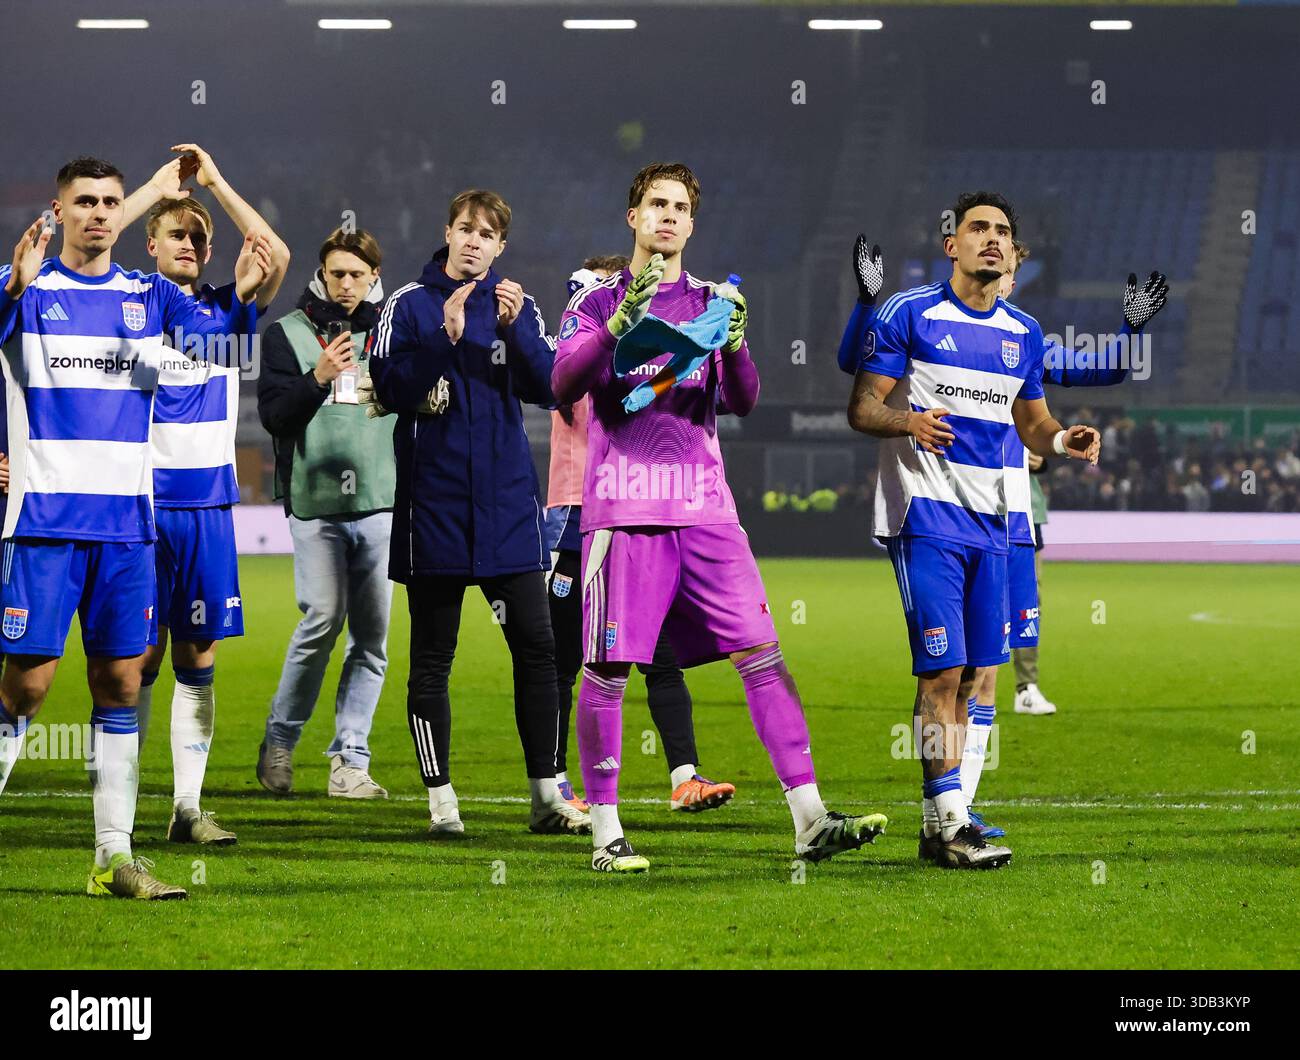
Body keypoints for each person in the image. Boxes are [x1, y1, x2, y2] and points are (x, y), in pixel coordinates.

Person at [554, 161, 887, 873]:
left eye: (679, 207)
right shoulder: (594, 301)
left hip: (707, 510)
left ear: (692, 224)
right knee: (608, 670)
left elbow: (742, 400)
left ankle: (809, 817)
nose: (667, 216)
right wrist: (616, 326)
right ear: (632, 217)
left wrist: (733, 343)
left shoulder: (713, 301)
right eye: (655, 205)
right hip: (627, 510)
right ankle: (606, 834)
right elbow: (563, 384)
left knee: (763, 655)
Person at [0, 156, 270, 898]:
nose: (98, 213)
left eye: (111, 202)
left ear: (125, 213)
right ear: (59, 211)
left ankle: (113, 860)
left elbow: (223, 345)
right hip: (49, 526)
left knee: (120, 683)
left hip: (129, 529)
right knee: (28, 690)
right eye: (84, 201)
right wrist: (14, 284)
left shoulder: (148, 296)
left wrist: (246, 294)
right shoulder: (27, 288)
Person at [846, 191, 1101, 869]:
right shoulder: (911, 313)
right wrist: (909, 422)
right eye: (979, 228)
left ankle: (940, 826)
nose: (993, 239)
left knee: (974, 679)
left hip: (995, 525)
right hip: (925, 518)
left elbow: (1033, 424)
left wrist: (1064, 435)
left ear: (1016, 252)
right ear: (950, 244)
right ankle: (953, 824)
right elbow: (863, 406)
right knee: (942, 673)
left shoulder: (1023, 331)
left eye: (1004, 232)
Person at [368, 189, 588, 836]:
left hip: (507, 510)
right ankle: (442, 805)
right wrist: (445, 340)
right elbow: (389, 387)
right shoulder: (406, 306)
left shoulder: (516, 307)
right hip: (433, 508)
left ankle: (546, 797)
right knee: (434, 656)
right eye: (466, 228)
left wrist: (518, 331)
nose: (474, 240)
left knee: (539, 647)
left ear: (500, 248)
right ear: (448, 232)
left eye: (487, 234)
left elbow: (553, 389)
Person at [118, 146, 290, 844]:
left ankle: (186, 810)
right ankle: (120, 813)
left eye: (198, 237)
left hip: (207, 510)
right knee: (134, 660)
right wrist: (155, 190)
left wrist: (213, 180)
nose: (187, 244)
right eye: (175, 234)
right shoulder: (124, 304)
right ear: (151, 242)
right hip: (136, 508)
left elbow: (273, 251)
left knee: (197, 656)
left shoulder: (227, 311)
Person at [547, 255, 735, 815]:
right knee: (565, 658)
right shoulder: (578, 346)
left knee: (662, 655)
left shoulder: (652, 359)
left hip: (638, 511)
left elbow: (702, 393)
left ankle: (685, 776)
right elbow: (561, 386)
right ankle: (556, 785)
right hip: (575, 516)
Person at [256, 227, 393, 799]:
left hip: (381, 503)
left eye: (357, 275)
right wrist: (318, 377)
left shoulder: (392, 333)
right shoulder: (287, 334)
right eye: (336, 273)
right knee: (321, 620)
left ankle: (350, 762)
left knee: (372, 640)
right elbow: (274, 417)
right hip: (314, 506)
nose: (345, 284)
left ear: (373, 279)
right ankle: (281, 740)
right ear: (322, 273)